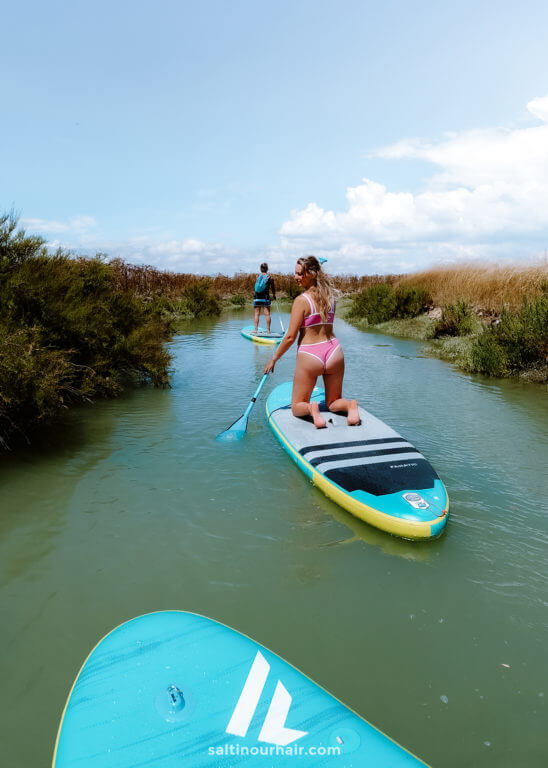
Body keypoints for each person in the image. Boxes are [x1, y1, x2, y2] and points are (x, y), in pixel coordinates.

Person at [263, 255, 359, 428]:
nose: (295, 277)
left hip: (310, 354)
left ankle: (311, 408)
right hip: (334, 352)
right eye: (295, 273)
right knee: (332, 402)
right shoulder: (330, 298)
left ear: (311, 274)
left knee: (296, 406)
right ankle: (350, 405)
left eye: (300, 274)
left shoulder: (301, 301)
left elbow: (291, 337)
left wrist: (274, 359)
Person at [253, 263, 276, 334]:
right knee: (267, 314)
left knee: (256, 314)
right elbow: (273, 288)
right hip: (265, 298)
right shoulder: (270, 278)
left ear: (260, 269)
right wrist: (274, 295)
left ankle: (256, 330)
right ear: (267, 269)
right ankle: (268, 330)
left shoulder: (257, 276)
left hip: (257, 297)